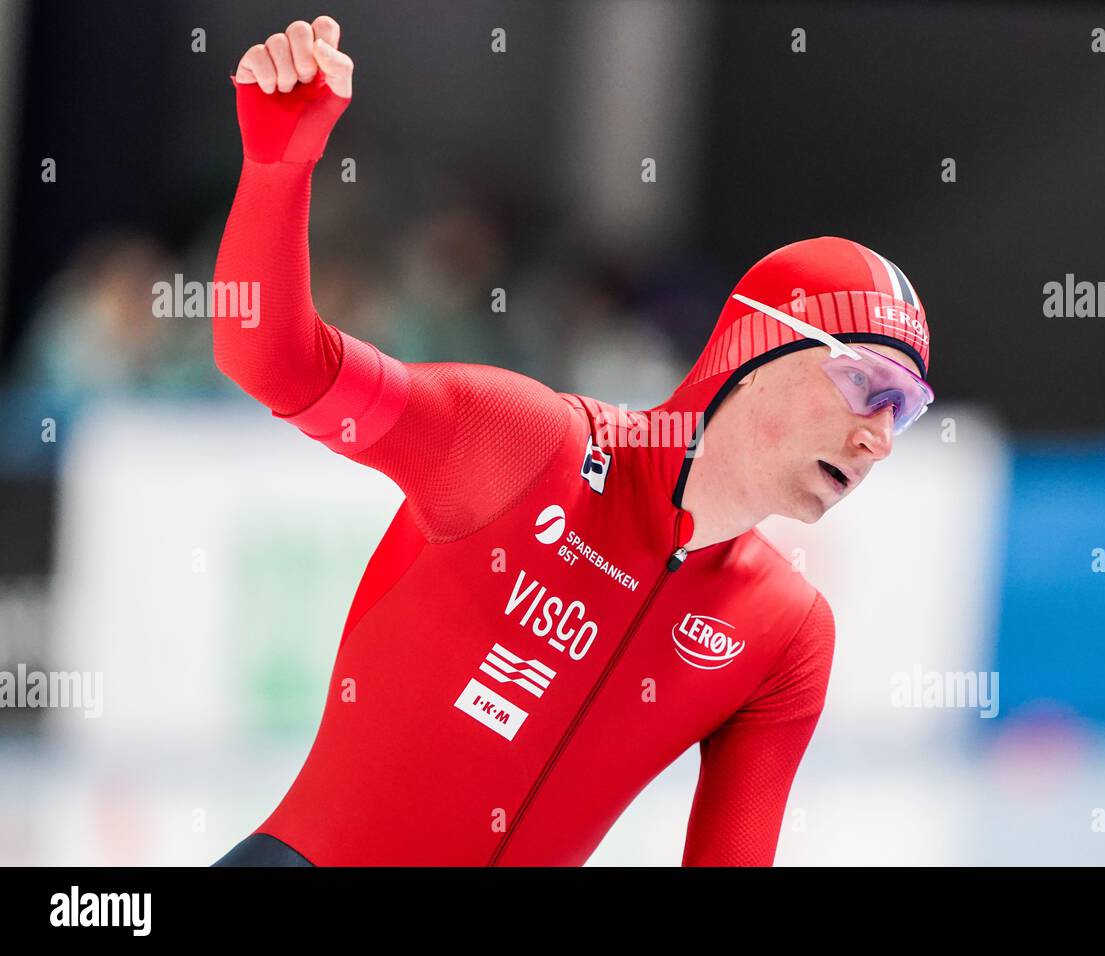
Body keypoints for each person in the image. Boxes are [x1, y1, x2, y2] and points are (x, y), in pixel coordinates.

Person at [210, 16, 933, 867]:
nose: (879, 437)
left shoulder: (784, 634)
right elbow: (277, 363)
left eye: (907, 408)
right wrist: (275, 164)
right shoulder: (522, 446)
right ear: (756, 350)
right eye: (865, 385)